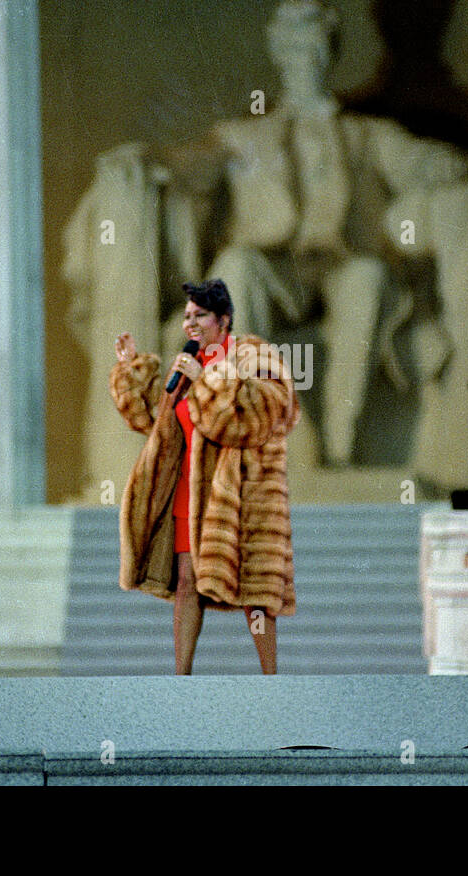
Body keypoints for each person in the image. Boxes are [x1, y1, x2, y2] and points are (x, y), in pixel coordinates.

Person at [112, 279, 298, 674]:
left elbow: (263, 414)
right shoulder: (188, 364)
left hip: (242, 493)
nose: (191, 324)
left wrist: (207, 380)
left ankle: (272, 680)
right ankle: (182, 679)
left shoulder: (254, 355)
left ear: (224, 319)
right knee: (186, 581)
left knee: (255, 592)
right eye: (187, 316)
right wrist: (132, 370)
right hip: (191, 491)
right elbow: (156, 420)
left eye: (200, 315)